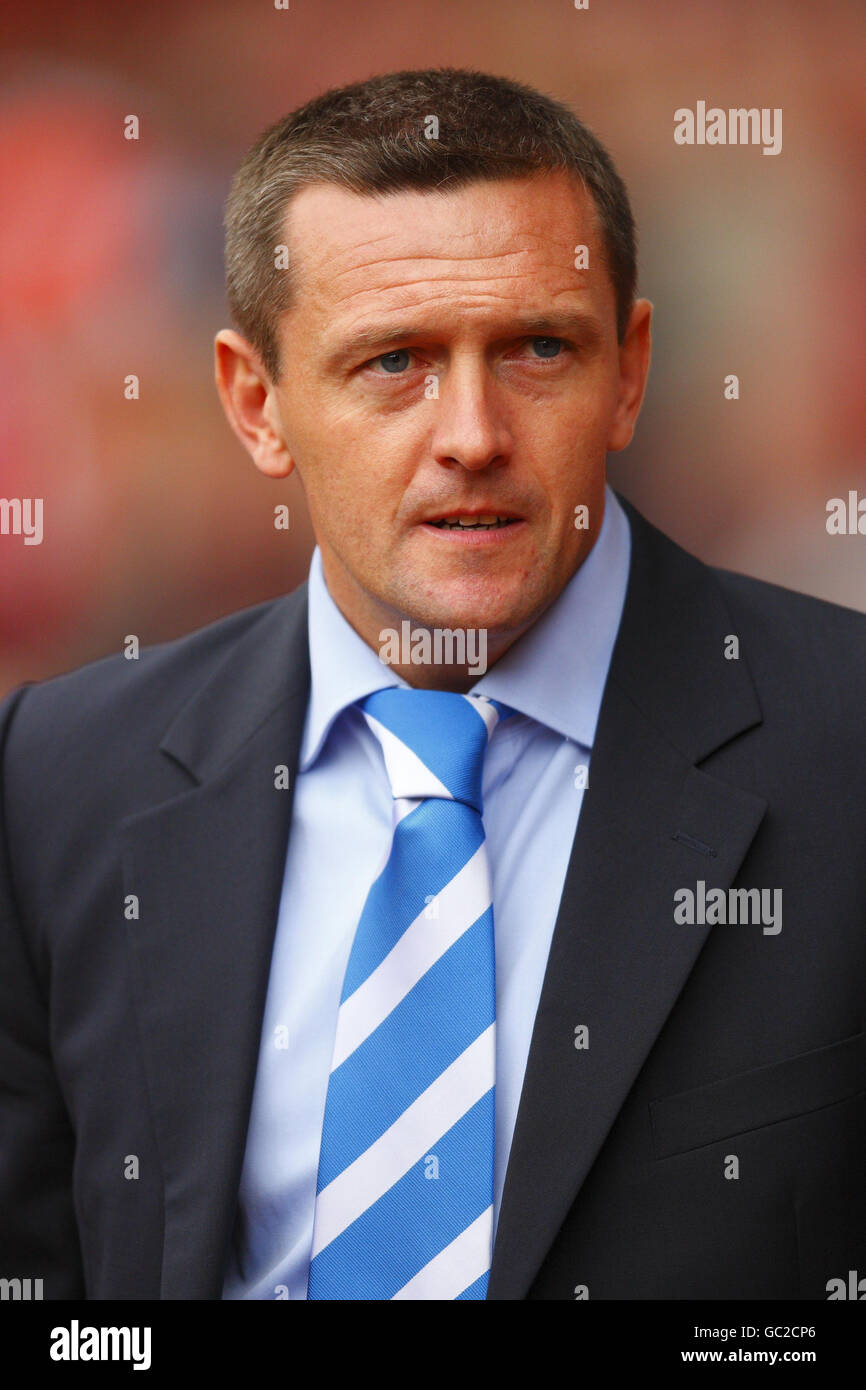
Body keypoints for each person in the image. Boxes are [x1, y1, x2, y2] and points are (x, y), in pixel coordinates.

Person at [0, 68, 863, 1302]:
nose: (470, 431)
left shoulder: (842, 745)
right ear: (255, 404)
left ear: (629, 372)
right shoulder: (56, 779)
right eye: (394, 360)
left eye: (535, 348)